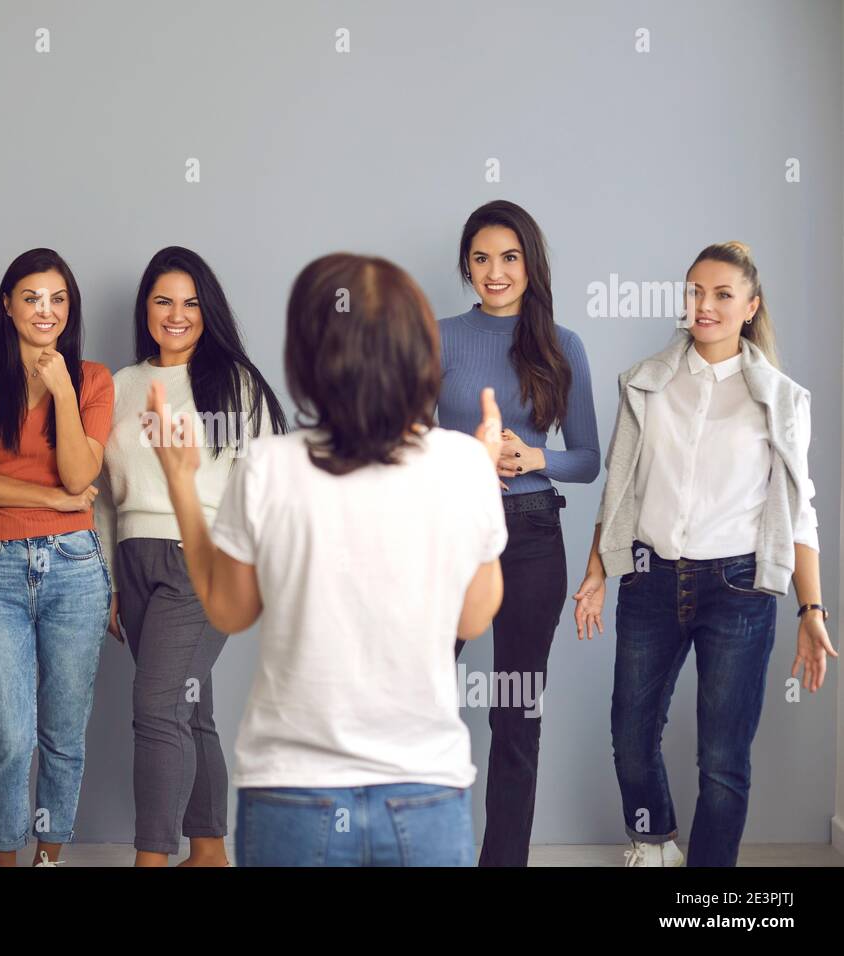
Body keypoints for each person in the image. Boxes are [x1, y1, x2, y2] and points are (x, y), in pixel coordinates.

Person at [148, 252, 507, 866]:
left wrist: (181, 480)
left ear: (309, 356)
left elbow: (230, 611)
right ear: (417, 351)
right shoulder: (462, 463)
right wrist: (481, 480)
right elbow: (473, 617)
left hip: (291, 788)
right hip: (423, 786)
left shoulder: (269, 465)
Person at [572, 241, 837, 866]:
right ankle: (655, 844)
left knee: (723, 758)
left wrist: (812, 609)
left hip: (739, 589)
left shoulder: (781, 399)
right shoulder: (646, 383)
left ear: (751, 306)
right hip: (650, 579)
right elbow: (620, 488)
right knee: (631, 735)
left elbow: (799, 510)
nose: (704, 305)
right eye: (694, 292)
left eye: (722, 294)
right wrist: (596, 573)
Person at [95, 246, 288, 867]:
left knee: (156, 709)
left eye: (191, 303)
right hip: (133, 562)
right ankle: (209, 852)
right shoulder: (119, 386)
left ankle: (150, 860)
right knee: (188, 708)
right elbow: (101, 496)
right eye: (163, 301)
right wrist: (108, 580)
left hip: (201, 561)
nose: (176, 315)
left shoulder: (235, 384)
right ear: (145, 309)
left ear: (209, 311)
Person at [436, 199, 600, 866]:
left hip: (531, 535)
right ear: (466, 266)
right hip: (450, 532)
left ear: (531, 265)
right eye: (481, 259)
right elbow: (404, 444)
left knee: (515, 713)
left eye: (509, 258)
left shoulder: (563, 345)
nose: (495, 272)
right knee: (417, 698)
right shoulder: (438, 337)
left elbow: (587, 459)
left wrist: (533, 457)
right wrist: (467, 456)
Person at [0, 248, 114, 867]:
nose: (46, 310)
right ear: (8, 306)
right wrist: (49, 499)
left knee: (63, 733)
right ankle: (3, 860)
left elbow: (80, 474)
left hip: (76, 568)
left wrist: (64, 390)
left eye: (58, 299)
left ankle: (49, 858)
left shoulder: (93, 379)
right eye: (32, 298)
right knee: (12, 736)